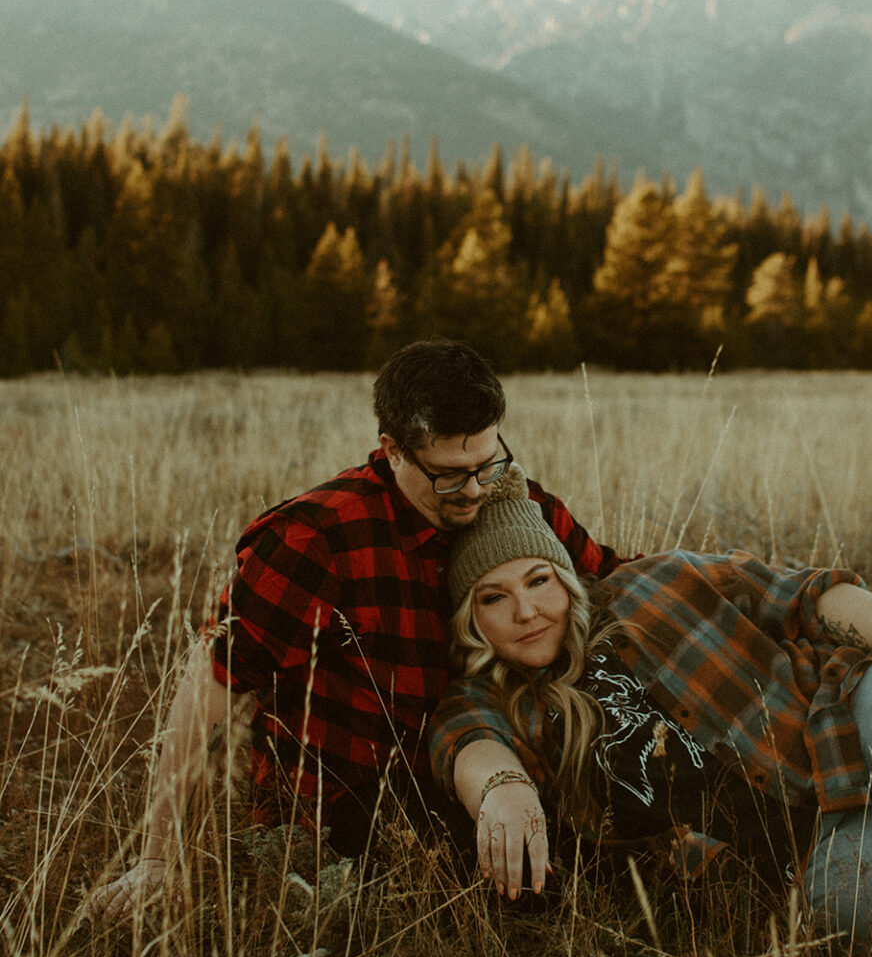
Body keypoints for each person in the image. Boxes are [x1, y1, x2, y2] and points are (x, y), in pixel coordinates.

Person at [89, 340, 619, 922]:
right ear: (392, 450)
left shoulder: (515, 501)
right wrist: (159, 859)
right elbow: (215, 683)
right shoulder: (315, 538)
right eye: (446, 476)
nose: (472, 490)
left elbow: (614, 584)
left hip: (505, 761)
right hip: (355, 805)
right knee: (537, 891)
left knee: (622, 833)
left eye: (486, 463)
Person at [429, 465, 872, 957]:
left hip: (857, 714)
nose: (527, 611)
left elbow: (806, 596)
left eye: (539, 581)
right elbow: (467, 744)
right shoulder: (491, 701)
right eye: (494, 597)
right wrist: (502, 787)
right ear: (469, 618)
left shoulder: (650, 584)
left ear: (565, 578)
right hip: (809, 860)